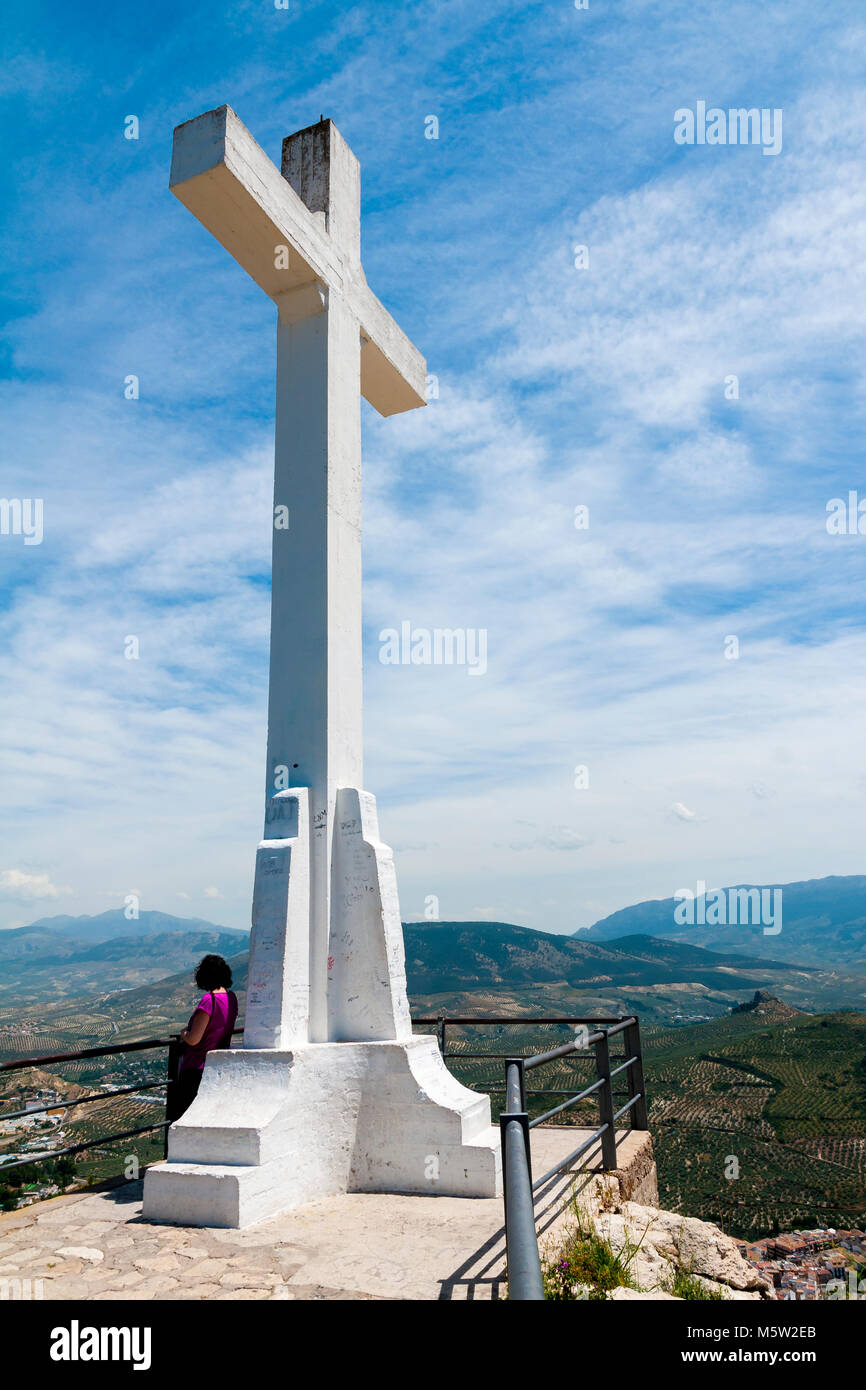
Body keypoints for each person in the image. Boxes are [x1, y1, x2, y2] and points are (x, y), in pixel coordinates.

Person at [168, 955, 239, 1122]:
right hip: (219, 1065)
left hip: (197, 1067)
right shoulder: (232, 998)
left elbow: (194, 1039)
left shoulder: (209, 1000)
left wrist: (184, 1032)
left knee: (185, 1117)